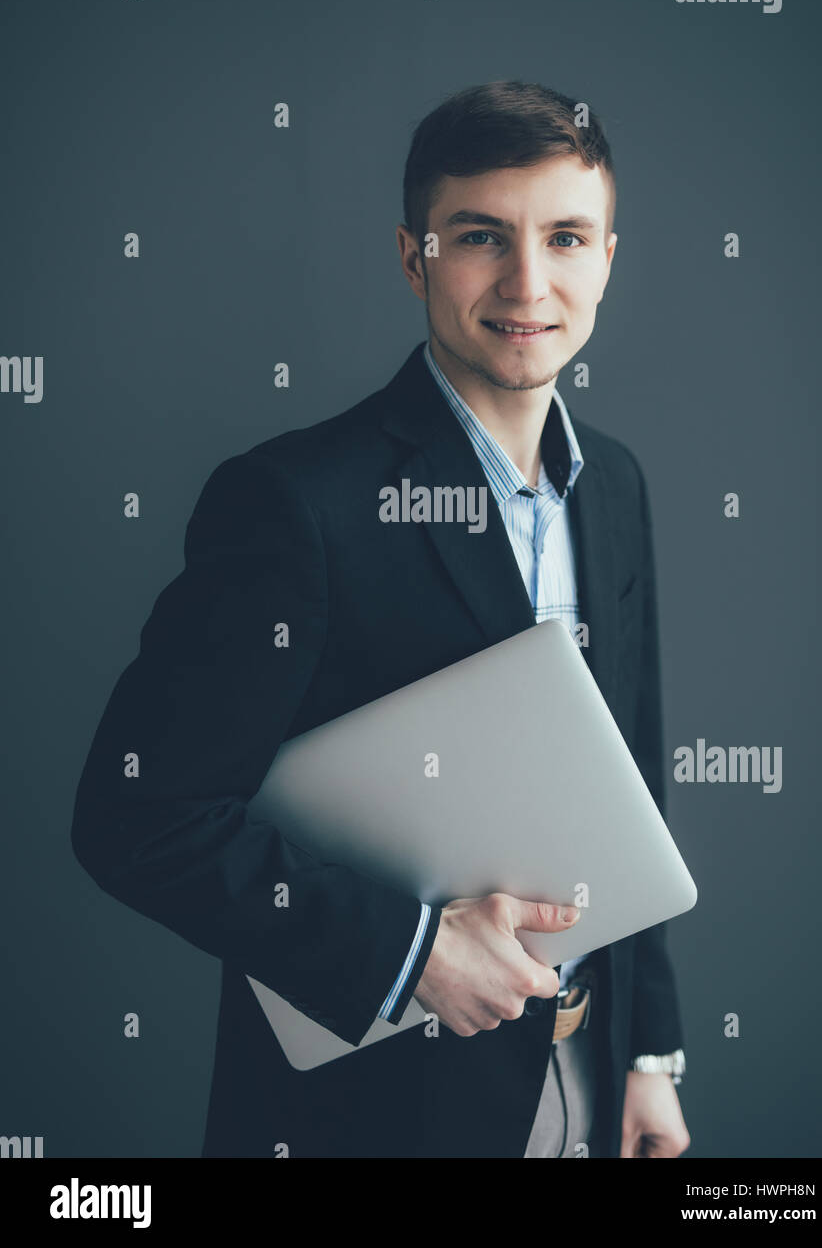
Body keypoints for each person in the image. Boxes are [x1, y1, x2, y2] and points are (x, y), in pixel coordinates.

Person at [71, 80, 690, 1159]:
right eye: (480, 236)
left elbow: (629, 781)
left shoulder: (617, 486)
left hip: (589, 1078)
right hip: (379, 1116)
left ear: (606, 257)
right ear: (415, 258)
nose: (527, 281)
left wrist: (647, 1056)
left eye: (565, 237)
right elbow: (137, 817)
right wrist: (410, 955)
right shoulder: (295, 504)